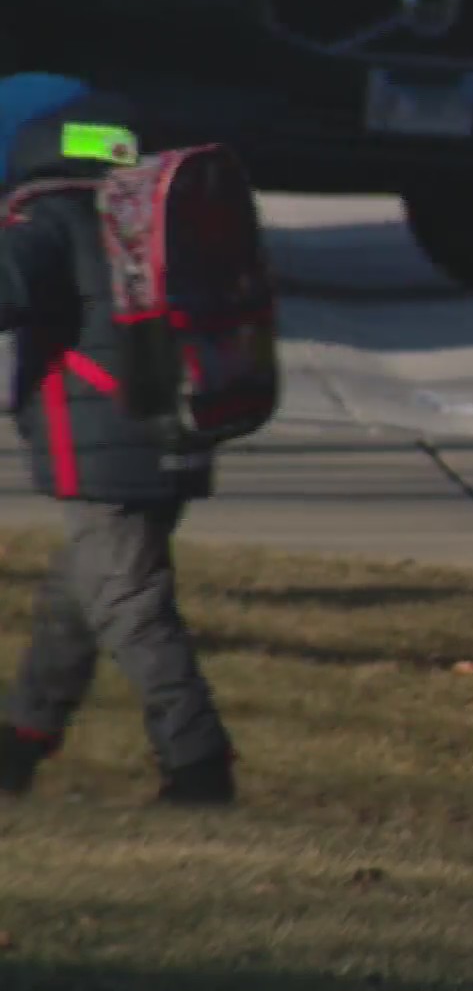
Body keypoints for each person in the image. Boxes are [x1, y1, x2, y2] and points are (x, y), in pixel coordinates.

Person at [0, 73, 236, 805]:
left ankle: (197, 766)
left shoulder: (45, 216)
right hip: (180, 428)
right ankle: (19, 743)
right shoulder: (149, 215)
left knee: (131, 604)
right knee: (82, 595)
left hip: (101, 446)